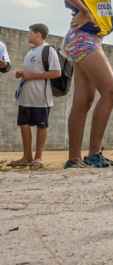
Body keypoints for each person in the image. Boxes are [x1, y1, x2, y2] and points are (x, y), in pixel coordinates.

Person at [53, 0, 113, 169]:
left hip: (88, 39)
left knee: (84, 100)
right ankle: (94, 155)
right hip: (84, 39)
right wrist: (83, 11)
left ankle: (74, 159)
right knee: (112, 91)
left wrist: (85, 10)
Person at [9, 23, 61, 168]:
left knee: (41, 126)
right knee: (23, 125)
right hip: (25, 97)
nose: (28, 35)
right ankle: (26, 157)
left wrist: (31, 76)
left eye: (30, 33)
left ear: (38, 34)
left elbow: (56, 73)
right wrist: (22, 74)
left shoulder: (48, 50)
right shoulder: (30, 52)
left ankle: (38, 158)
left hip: (41, 98)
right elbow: (29, 73)